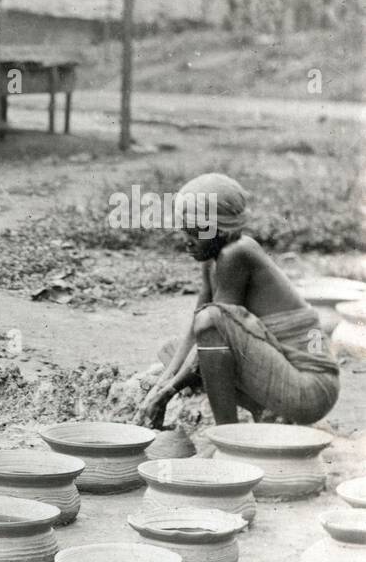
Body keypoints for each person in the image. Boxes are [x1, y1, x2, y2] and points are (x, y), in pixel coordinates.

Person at [134, 172, 338, 429]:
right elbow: (193, 330)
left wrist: (165, 395)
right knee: (172, 350)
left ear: (222, 228)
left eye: (196, 232)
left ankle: (229, 439)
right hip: (284, 372)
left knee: (210, 328)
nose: (187, 242)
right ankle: (263, 411)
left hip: (311, 389)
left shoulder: (236, 254)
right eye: (184, 231)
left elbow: (212, 326)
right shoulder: (212, 259)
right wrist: (159, 386)